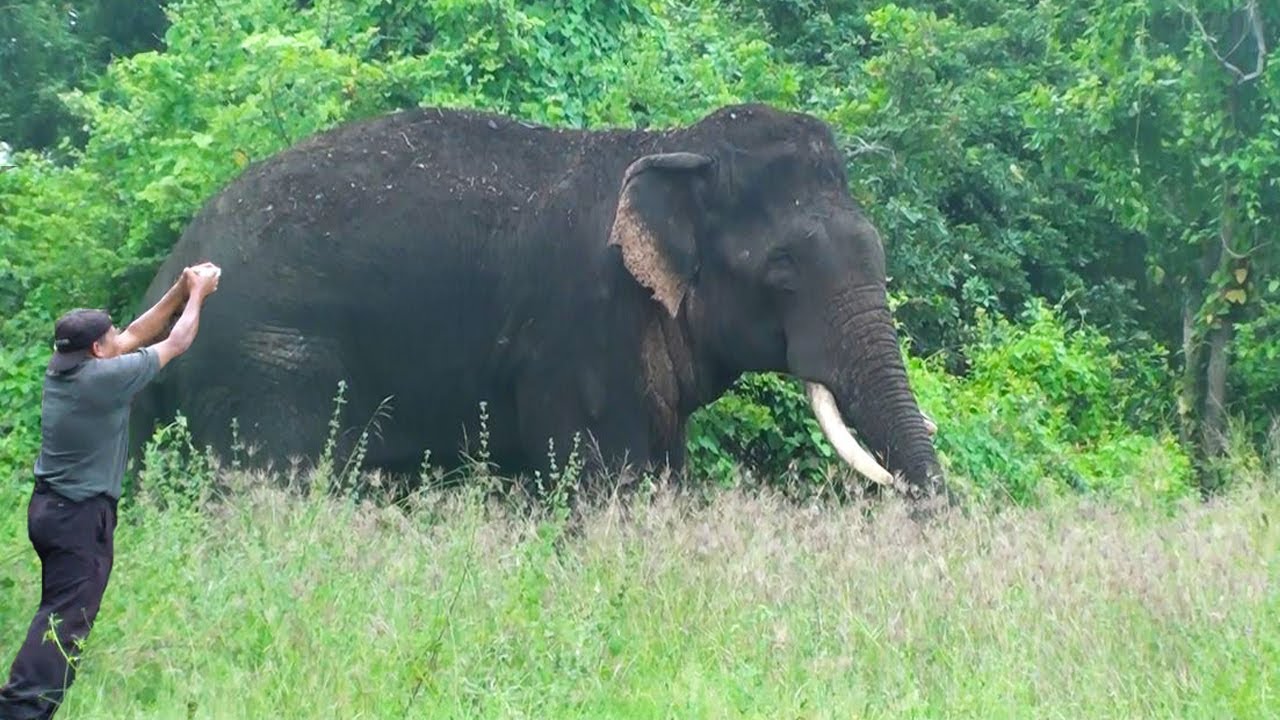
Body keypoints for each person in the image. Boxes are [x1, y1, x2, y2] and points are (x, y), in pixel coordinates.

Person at [0, 262, 221, 720]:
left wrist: (178, 291)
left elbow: (135, 336)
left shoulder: (65, 369)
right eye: (111, 336)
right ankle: (20, 711)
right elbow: (175, 342)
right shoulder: (103, 381)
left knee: (57, 611)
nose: (119, 336)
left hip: (51, 510)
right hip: (79, 518)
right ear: (98, 350)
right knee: (64, 620)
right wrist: (198, 295)